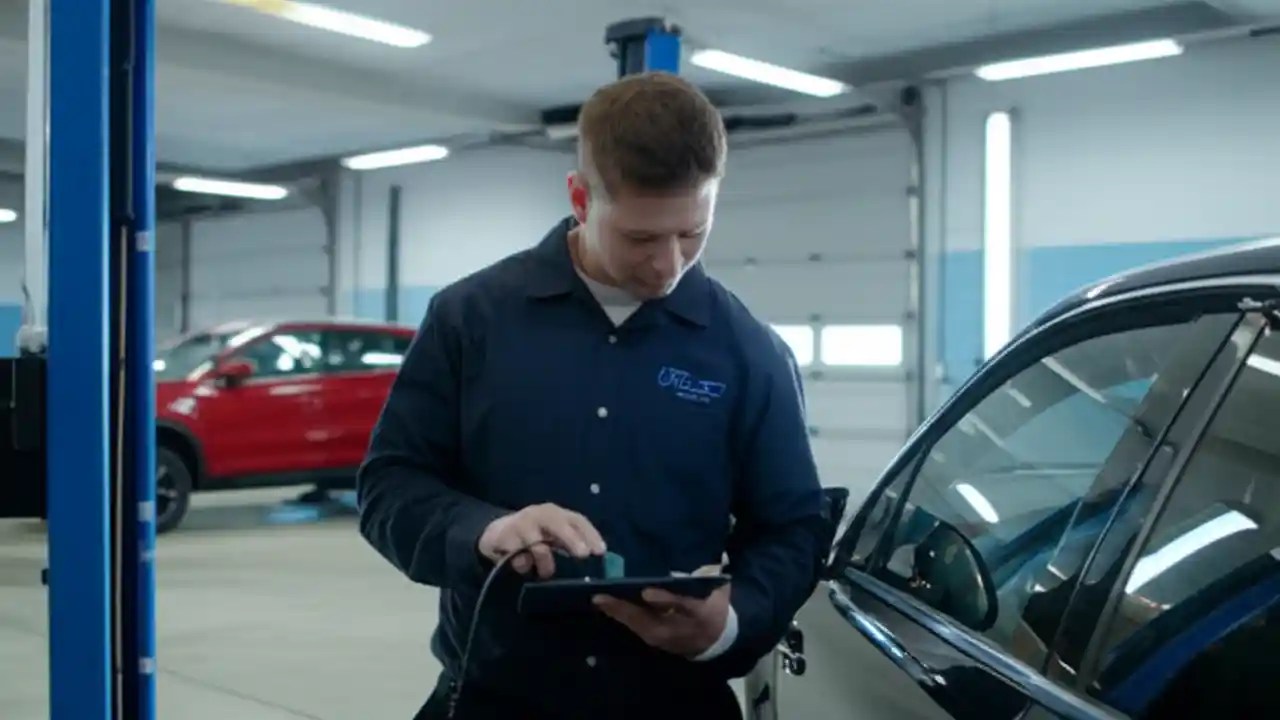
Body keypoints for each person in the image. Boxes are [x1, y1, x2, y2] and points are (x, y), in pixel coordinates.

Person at [357, 71, 828, 720]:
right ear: (581, 197)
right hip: (494, 700)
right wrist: (484, 531)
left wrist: (729, 623)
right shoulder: (470, 320)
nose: (668, 264)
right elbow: (390, 485)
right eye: (640, 237)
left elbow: (793, 527)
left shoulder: (749, 351)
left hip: (674, 702)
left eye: (692, 232)